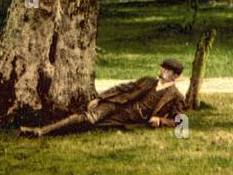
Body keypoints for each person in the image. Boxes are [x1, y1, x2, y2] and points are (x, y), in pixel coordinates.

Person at [19, 59, 187, 138]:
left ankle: (44, 130)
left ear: (174, 76)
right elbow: (122, 88)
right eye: (162, 68)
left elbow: (182, 123)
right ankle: (39, 131)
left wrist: (160, 121)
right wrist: (100, 98)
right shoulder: (148, 80)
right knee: (88, 118)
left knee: (86, 125)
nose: (162, 71)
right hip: (115, 105)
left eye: (166, 70)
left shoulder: (175, 96)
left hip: (129, 119)